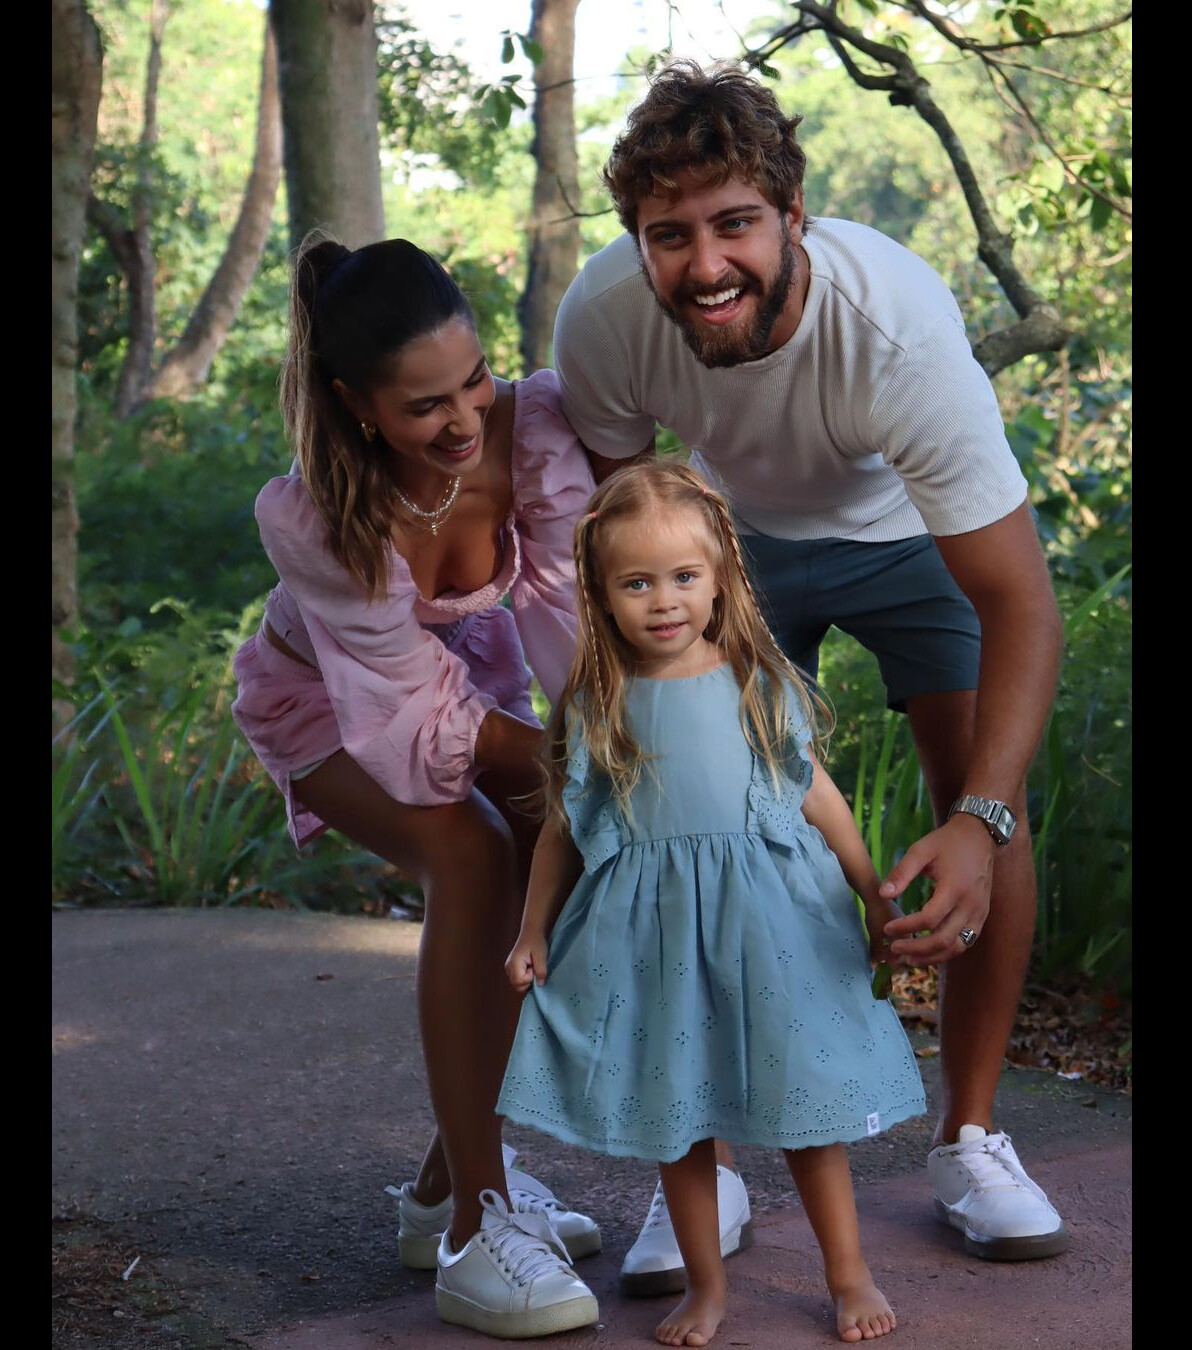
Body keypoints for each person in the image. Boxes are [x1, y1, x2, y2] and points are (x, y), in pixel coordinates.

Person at [551, 60, 1067, 1288]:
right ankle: (705, 1162)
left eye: (734, 223)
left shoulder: (897, 329)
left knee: (984, 798)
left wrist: (980, 823)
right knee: (685, 805)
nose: (703, 263)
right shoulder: (606, 318)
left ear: (793, 214)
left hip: (908, 531)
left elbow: (1021, 606)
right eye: (667, 235)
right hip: (725, 542)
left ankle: (971, 1134)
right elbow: (625, 526)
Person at [231, 233, 602, 1339]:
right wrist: (546, 766)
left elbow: (566, 612)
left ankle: (447, 1179)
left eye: (474, 380)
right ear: (355, 404)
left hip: (470, 684)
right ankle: (470, 1235)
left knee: (572, 853)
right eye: (424, 406)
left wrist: (601, 753)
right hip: (327, 708)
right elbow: (401, 710)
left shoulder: (529, 429)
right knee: (474, 856)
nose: (463, 420)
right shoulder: (312, 513)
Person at [496, 461, 926, 1346]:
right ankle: (709, 1288)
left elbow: (819, 796)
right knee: (678, 1119)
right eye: (637, 582)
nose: (663, 600)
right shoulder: (595, 702)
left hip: (773, 929)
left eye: (684, 576)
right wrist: (532, 931)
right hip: (654, 941)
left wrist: (872, 894)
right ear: (602, 593)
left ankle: (848, 1275)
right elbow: (562, 833)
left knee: (807, 1112)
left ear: (720, 574)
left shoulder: (755, 680)